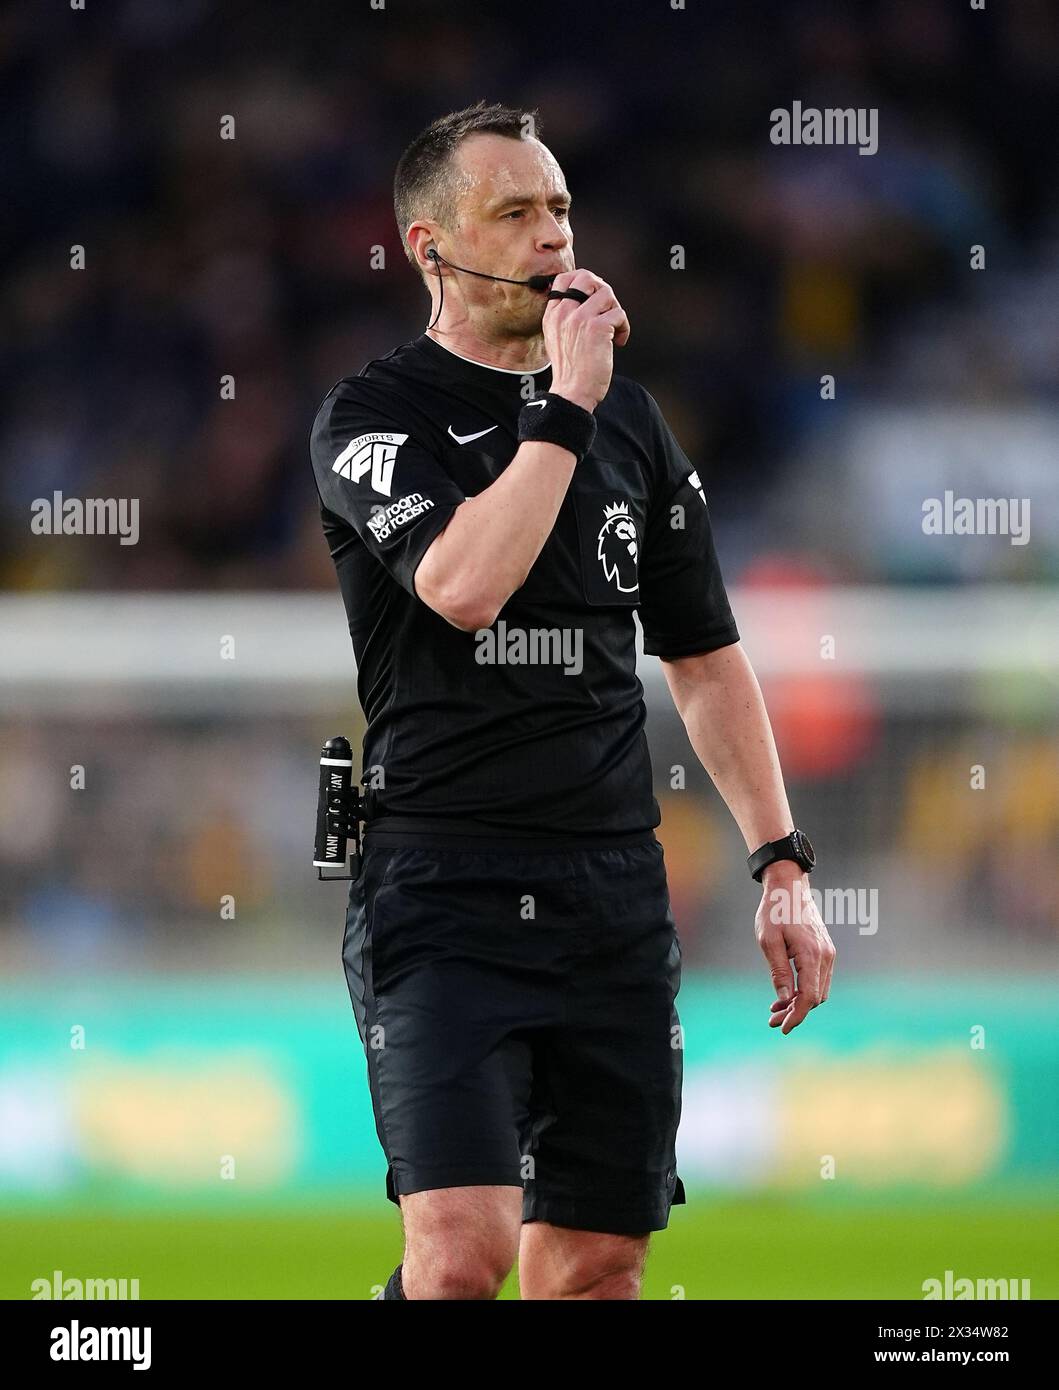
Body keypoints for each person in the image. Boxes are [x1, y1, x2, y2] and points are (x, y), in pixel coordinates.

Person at [309, 101, 835, 1300]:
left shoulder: (631, 427)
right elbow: (462, 586)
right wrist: (561, 409)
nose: (553, 237)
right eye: (515, 212)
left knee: (597, 1264)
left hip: (610, 891)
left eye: (559, 208)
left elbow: (703, 657)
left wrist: (782, 864)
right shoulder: (373, 416)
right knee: (459, 1257)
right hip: (439, 888)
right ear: (430, 248)